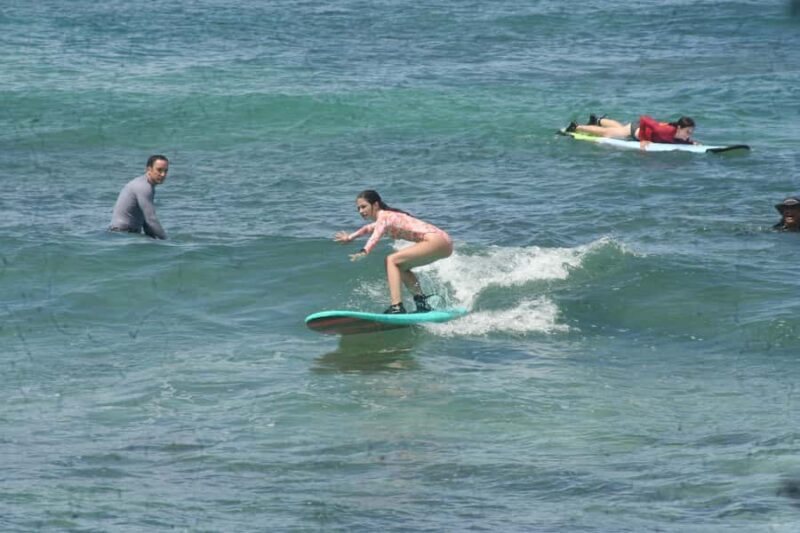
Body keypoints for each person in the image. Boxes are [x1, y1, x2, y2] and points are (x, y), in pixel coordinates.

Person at [334, 190, 453, 314]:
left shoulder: (384, 216)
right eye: (358, 208)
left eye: (363, 207)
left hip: (436, 240)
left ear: (375, 205)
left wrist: (365, 250)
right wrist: (350, 237)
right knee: (400, 267)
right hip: (444, 243)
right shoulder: (386, 218)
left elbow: (375, 235)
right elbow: (367, 228)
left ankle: (397, 306)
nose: (360, 211)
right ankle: (421, 303)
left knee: (391, 260)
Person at [109, 155, 169, 239]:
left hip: (121, 233)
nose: (163, 174)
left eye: (165, 171)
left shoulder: (147, 185)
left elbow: (146, 222)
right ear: (149, 170)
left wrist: (153, 239)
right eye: (159, 170)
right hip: (123, 234)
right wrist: (167, 241)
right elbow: (151, 219)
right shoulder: (144, 187)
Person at [565, 114, 697, 150]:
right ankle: (576, 127)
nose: (689, 134)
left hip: (635, 130)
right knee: (607, 134)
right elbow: (644, 118)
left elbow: (677, 140)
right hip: (636, 130)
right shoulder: (663, 130)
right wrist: (644, 139)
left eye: (691, 132)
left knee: (619, 128)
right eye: (688, 132)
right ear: (679, 128)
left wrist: (691, 143)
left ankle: (597, 120)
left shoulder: (680, 134)